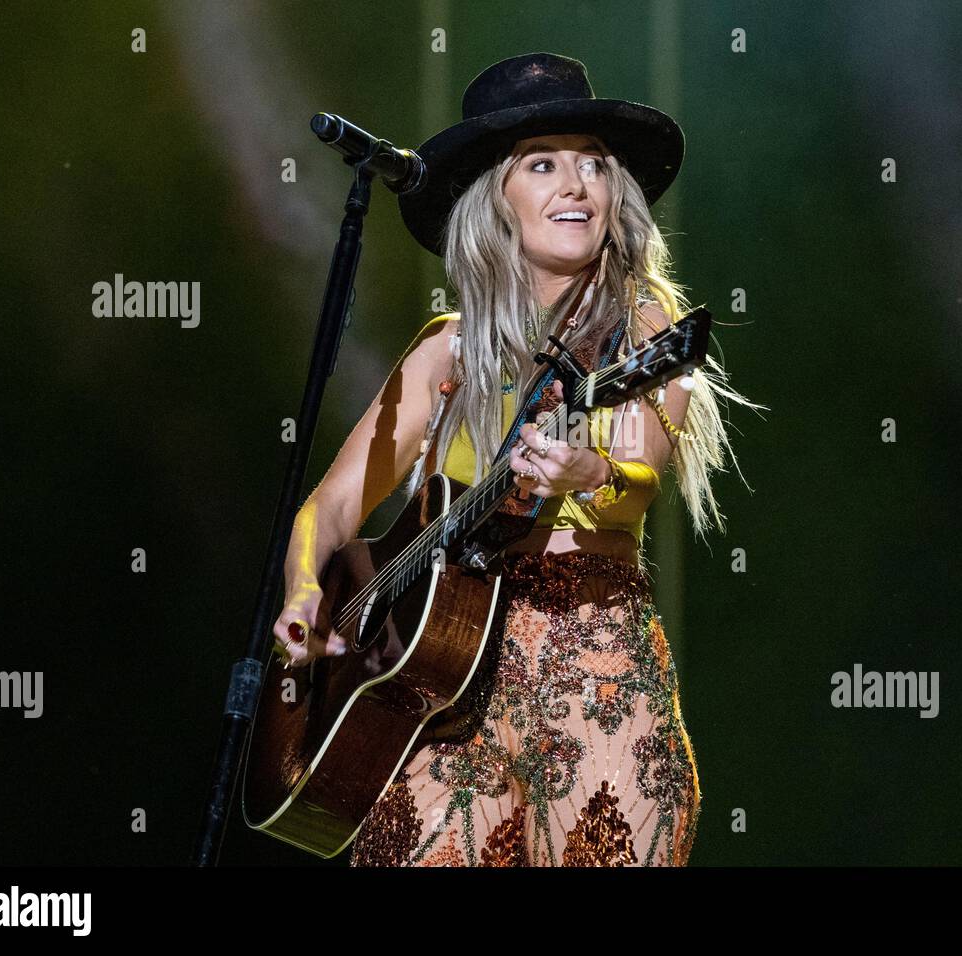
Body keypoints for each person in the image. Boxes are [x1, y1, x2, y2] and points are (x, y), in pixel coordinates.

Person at [272, 52, 762, 867]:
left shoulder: (644, 325)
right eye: (543, 165)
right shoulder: (445, 355)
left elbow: (637, 487)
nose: (577, 185)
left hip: (593, 669)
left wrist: (590, 476)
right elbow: (326, 514)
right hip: (434, 697)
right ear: (492, 204)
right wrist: (301, 592)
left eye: (595, 167)